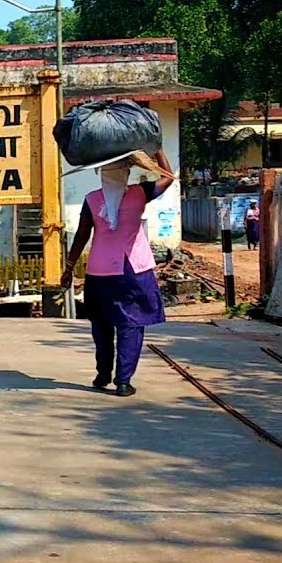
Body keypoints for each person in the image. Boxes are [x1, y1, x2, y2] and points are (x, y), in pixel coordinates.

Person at [60, 149, 175, 397]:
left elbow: (81, 236)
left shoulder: (92, 200)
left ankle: (103, 373)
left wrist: (69, 268)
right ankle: (123, 381)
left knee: (101, 325)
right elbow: (168, 177)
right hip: (133, 271)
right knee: (130, 324)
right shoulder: (139, 194)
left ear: (102, 174)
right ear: (126, 173)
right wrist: (157, 150)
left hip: (99, 272)